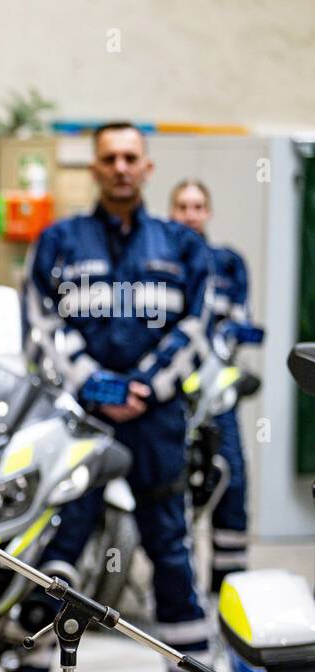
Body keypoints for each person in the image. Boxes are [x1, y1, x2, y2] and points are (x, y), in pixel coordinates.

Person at [16, 122, 219, 672]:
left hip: (155, 420)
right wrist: (92, 385)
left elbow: (197, 329)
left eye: (132, 157)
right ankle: (27, 670)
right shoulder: (57, 241)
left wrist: (145, 387)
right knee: (57, 542)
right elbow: (41, 324)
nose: (122, 167)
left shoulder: (182, 246)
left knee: (170, 543)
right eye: (110, 158)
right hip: (81, 418)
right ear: (95, 169)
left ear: (148, 167)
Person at [169, 178, 260, 592]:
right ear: (171, 212)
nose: (190, 214)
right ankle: (178, 591)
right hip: (168, 400)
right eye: (183, 206)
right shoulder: (158, 263)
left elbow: (241, 323)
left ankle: (228, 592)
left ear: (208, 212)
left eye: (198, 206)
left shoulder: (228, 263)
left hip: (215, 400)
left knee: (230, 483)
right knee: (173, 496)